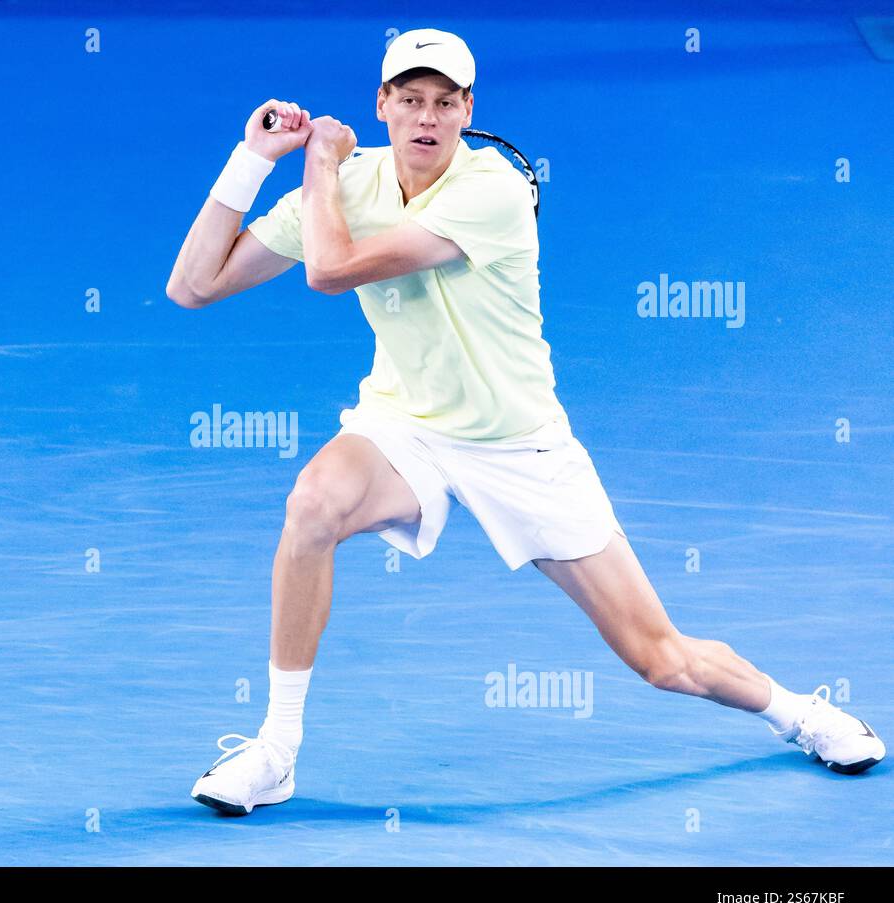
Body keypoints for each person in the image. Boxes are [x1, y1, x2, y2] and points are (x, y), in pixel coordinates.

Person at [165, 28, 885, 815]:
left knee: (660, 658)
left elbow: (330, 272)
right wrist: (256, 158)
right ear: (383, 105)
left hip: (520, 447)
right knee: (311, 505)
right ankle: (276, 751)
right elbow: (194, 285)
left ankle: (798, 713)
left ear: (468, 111)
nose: (427, 118)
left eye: (445, 102)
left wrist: (322, 166)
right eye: (410, 100)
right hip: (405, 427)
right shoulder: (349, 184)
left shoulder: (494, 188)